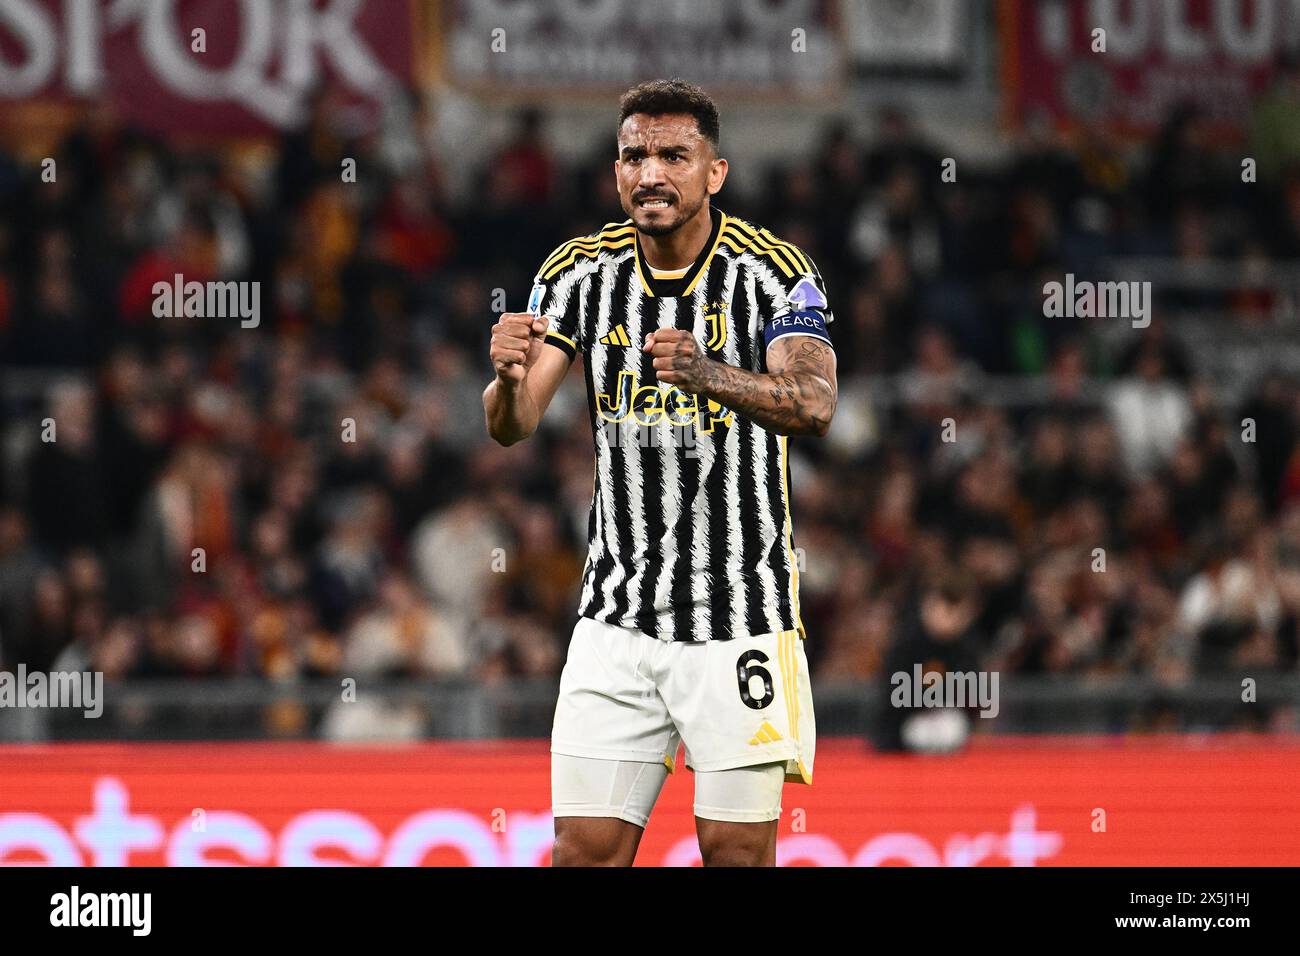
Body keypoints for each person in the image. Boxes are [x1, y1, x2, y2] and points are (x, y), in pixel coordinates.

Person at [482, 79, 838, 866]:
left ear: (715, 172)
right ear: (616, 171)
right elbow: (513, 424)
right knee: (583, 852)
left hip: (740, 614)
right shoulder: (578, 272)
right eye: (635, 156)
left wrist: (708, 374)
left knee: (735, 854)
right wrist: (505, 381)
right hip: (616, 617)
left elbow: (816, 404)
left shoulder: (773, 271)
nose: (652, 173)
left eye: (675, 155)